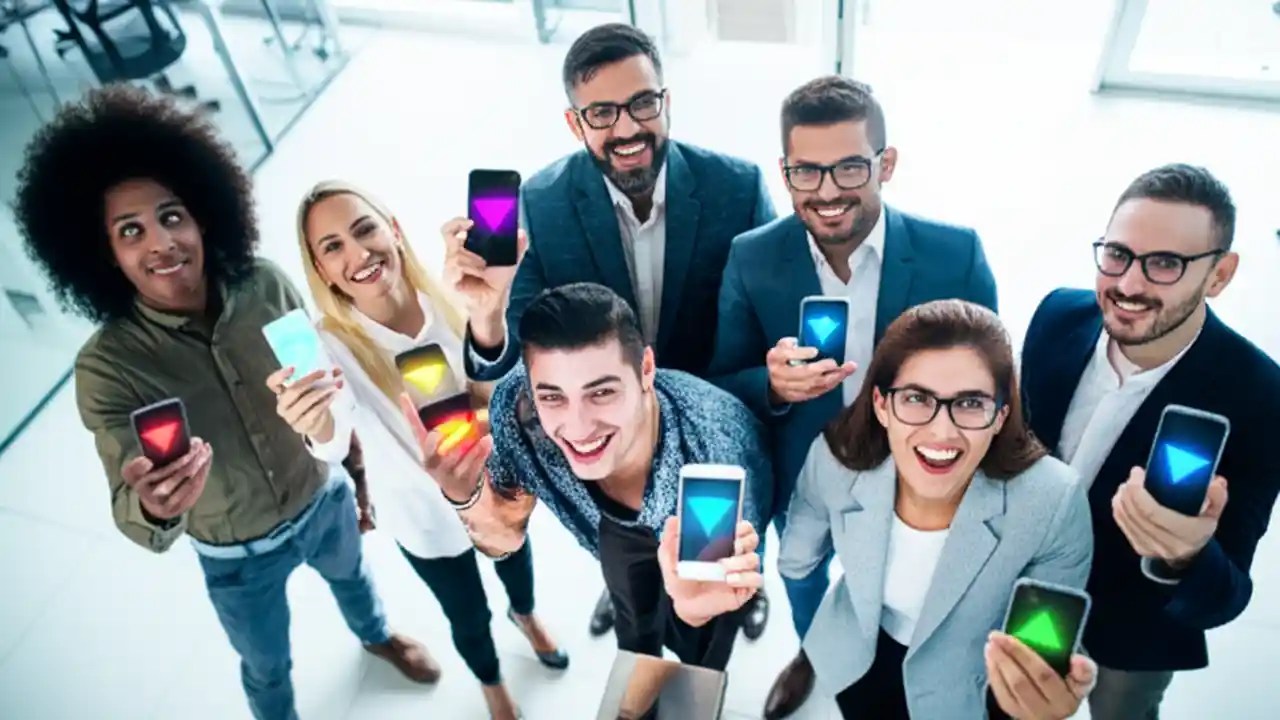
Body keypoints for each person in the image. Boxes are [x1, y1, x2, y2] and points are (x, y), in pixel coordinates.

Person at [11, 86, 436, 720]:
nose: (162, 242)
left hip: (322, 502)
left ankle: (377, 637)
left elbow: (325, 386)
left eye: (172, 215)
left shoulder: (265, 282)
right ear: (104, 253)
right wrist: (152, 504)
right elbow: (134, 505)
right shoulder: (106, 368)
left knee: (356, 582)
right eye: (131, 230)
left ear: (204, 213)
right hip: (238, 558)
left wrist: (355, 472)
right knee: (265, 663)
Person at [456, 22, 776, 640]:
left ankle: (732, 602)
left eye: (642, 103)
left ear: (666, 101)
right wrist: (486, 315)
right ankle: (626, 592)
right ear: (575, 124)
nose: (627, 127)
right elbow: (526, 355)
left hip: (708, 440)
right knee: (629, 573)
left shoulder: (738, 187)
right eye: (602, 112)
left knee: (713, 599)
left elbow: (765, 325)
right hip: (609, 447)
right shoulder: (540, 205)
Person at [706, 75, 999, 719]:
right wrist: (772, 385)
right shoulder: (752, 258)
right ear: (785, 173)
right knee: (802, 572)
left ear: (885, 164)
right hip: (805, 470)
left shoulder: (957, 254)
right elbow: (722, 379)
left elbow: (991, 385)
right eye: (806, 172)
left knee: (901, 586)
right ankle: (813, 654)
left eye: (848, 167)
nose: (828, 191)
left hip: (917, 475)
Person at [266, 181, 569, 720]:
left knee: (518, 568)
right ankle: (492, 683)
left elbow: (504, 392)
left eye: (364, 229)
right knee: (467, 615)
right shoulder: (327, 345)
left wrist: (488, 317)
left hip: (495, 487)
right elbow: (333, 442)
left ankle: (526, 615)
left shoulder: (457, 296)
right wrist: (312, 423)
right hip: (424, 520)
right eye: (332, 247)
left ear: (395, 231)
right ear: (322, 269)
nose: (357, 254)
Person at [1020, 164, 1280, 720]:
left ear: (1220, 275)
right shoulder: (1057, 316)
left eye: (1165, 263)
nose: (1129, 284)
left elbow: (1228, 594)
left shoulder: (1262, 396)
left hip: (1131, 631)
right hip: (1029, 589)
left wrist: (1184, 554)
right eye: (1117, 254)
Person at [408, 282, 770, 671]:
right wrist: (465, 494)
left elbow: (705, 594)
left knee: (700, 647)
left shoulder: (713, 458)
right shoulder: (517, 412)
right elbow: (505, 539)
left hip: (702, 523)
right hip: (612, 530)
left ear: (646, 370)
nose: (578, 427)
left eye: (601, 393)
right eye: (552, 397)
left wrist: (690, 608)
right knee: (633, 627)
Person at [779, 299, 1095, 719]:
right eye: (915, 398)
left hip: (969, 684)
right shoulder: (835, 462)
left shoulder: (1053, 500)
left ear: (1001, 416)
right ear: (881, 405)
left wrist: (1034, 700)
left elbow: (1037, 654)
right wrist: (814, 646)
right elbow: (797, 564)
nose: (942, 432)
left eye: (969, 404)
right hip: (858, 655)